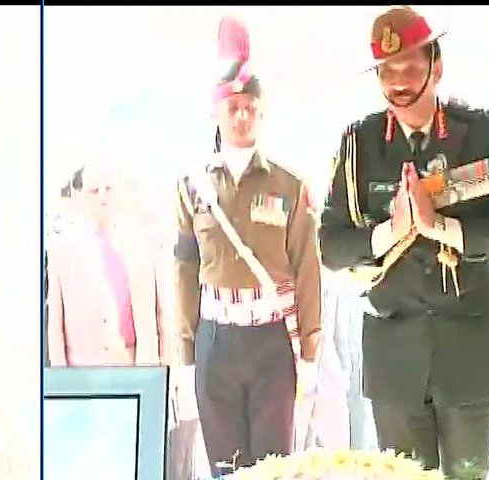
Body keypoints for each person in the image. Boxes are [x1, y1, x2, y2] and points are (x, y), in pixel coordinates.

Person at [318, 6, 489, 477]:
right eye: (386, 71)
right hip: (395, 355)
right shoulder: (359, 144)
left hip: (471, 347)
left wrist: (443, 228)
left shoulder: (481, 132)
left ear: (436, 66)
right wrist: (389, 233)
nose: (398, 82)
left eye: (410, 67)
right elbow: (331, 246)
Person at [172, 16, 321, 474]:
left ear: (262, 112)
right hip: (216, 340)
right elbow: (184, 271)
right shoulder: (192, 186)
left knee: (273, 467)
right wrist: (186, 355)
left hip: (270, 341)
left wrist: (310, 351)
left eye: (250, 107)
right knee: (225, 466)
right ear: (216, 113)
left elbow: (307, 268)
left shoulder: (289, 186)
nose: (241, 116)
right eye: (232, 107)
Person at [46, 164, 165, 367]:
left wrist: (166, 370)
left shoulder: (142, 244)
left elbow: (161, 314)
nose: (102, 197)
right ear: (81, 196)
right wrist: (60, 377)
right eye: (94, 191)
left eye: (108, 189)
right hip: (83, 371)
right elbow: (55, 327)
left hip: (136, 367)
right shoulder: (62, 250)